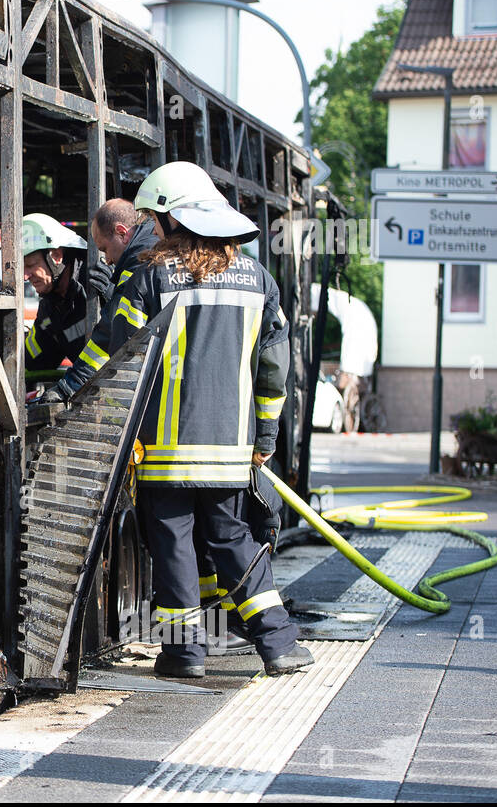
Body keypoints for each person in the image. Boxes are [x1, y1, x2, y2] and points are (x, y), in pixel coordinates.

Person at [43, 161, 313, 679]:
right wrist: (264, 436)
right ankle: (278, 644)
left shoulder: (150, 275)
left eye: (156, 219)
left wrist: (64, 391)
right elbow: (274, 371)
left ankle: (184, 655)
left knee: (172, 549)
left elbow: (110, 348)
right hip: (229, 451)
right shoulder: (258, 279)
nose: (153, 229)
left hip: (164, 452)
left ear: (172, 219)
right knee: (233, 541)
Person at [21, 213, 113, 375]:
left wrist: (113, 300)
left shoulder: (98, 283)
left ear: (56, 255)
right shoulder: (49, 308)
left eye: (30, 265)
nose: (25, 276)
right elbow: (35, 360)